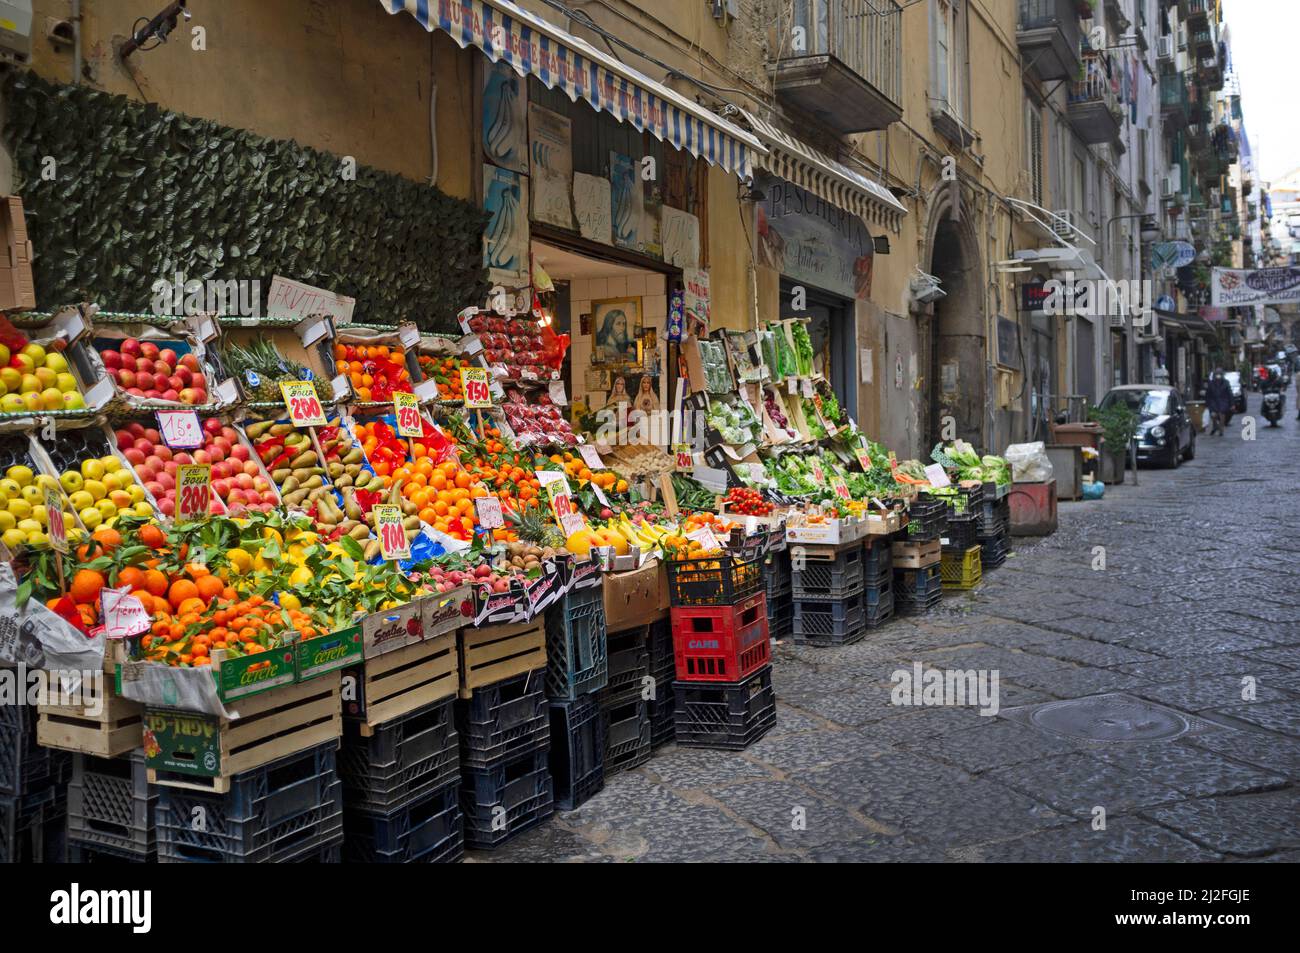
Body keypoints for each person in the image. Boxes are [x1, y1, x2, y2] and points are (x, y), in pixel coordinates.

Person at [1205, 369, 1232, 436]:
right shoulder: (1211, 383)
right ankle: (1216, 426)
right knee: (1213, 415)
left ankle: (1221, 430)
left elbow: (1229, 393)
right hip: (1214, 402)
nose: (1218, 376)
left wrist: (1232, 403)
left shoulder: (1226, 383)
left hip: (1223, 401)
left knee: (1221, 415)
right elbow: (1208, 394)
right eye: (1217, 374)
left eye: (1219, 374)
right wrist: (1207, 403)